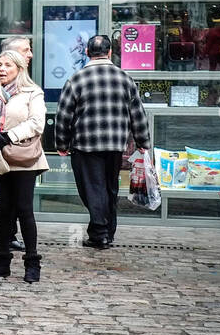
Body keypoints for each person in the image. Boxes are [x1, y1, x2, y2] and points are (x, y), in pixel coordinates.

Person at [54, 34, 151, 250]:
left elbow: (64, 115)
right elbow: (138, 113)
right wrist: (143, 141)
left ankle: (99, 233)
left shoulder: (76, 79)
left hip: (85, 144)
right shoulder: (125, 78)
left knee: (92, 188)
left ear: (87, 53)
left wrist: (62, 144)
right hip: (116, 144)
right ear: (110, 53)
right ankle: (108, 231)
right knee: (110, 188)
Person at [0, 49, 50, 283]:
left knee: (24, 210)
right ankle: (1, 261)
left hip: (22, 158)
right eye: (0, 64)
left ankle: (32, 262)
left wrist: (9, 136)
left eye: (8, 65)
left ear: (19, 68)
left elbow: (37, 123)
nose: (2, 69)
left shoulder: (32, 92)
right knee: (2, 210)